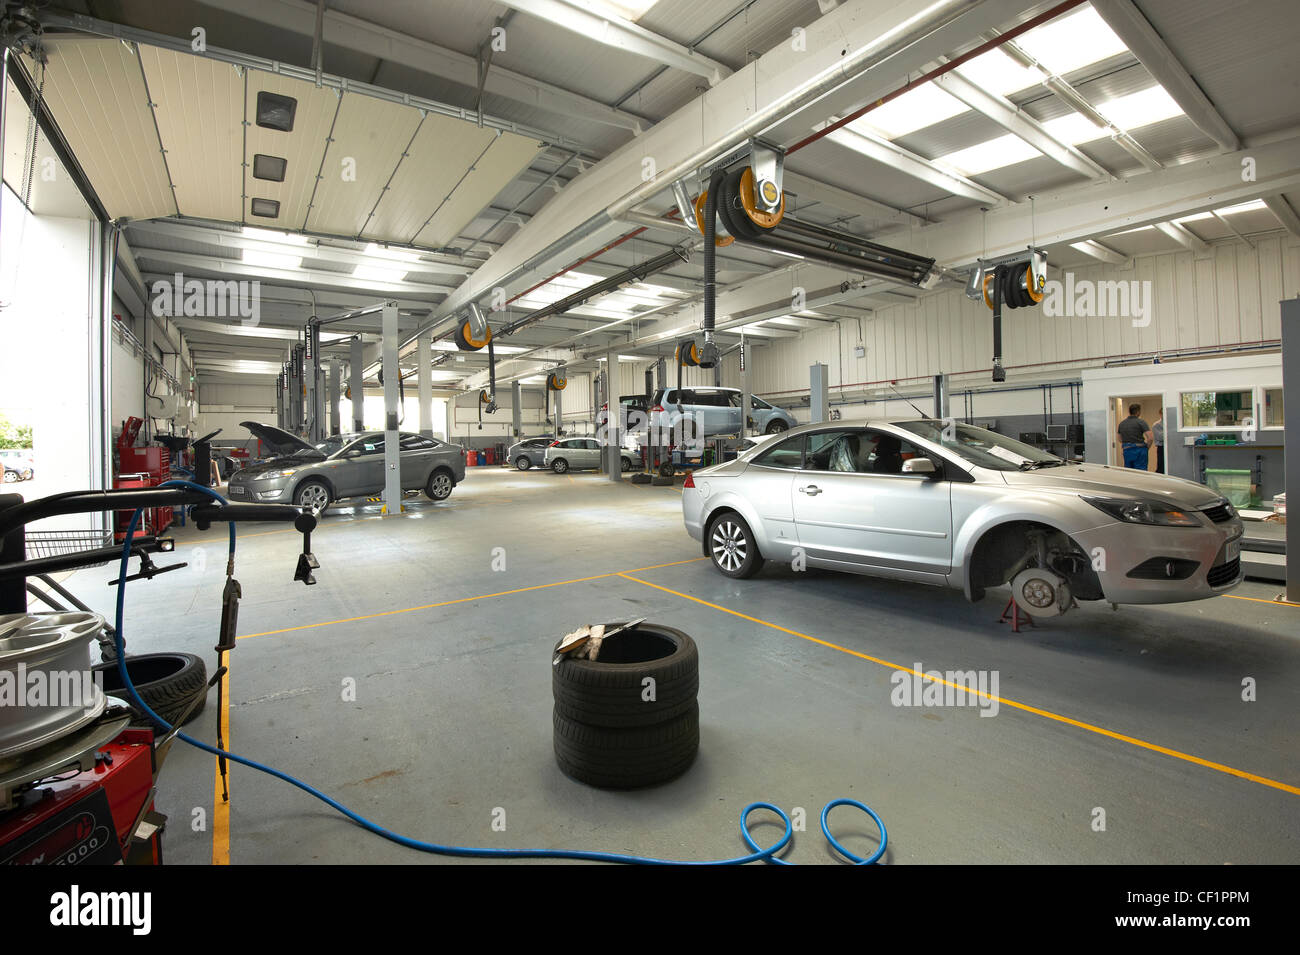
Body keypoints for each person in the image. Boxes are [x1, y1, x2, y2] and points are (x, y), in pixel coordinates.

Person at [1118, 403, 1153, 470]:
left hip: (1127, 450)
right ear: (1138, 412)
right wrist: (1146, 448)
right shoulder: (1141, 422)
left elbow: (1119, 439)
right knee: (1141, 472)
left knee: (1129, 471)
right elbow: (1150, 438)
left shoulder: (1122, 424)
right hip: (1140, 450)